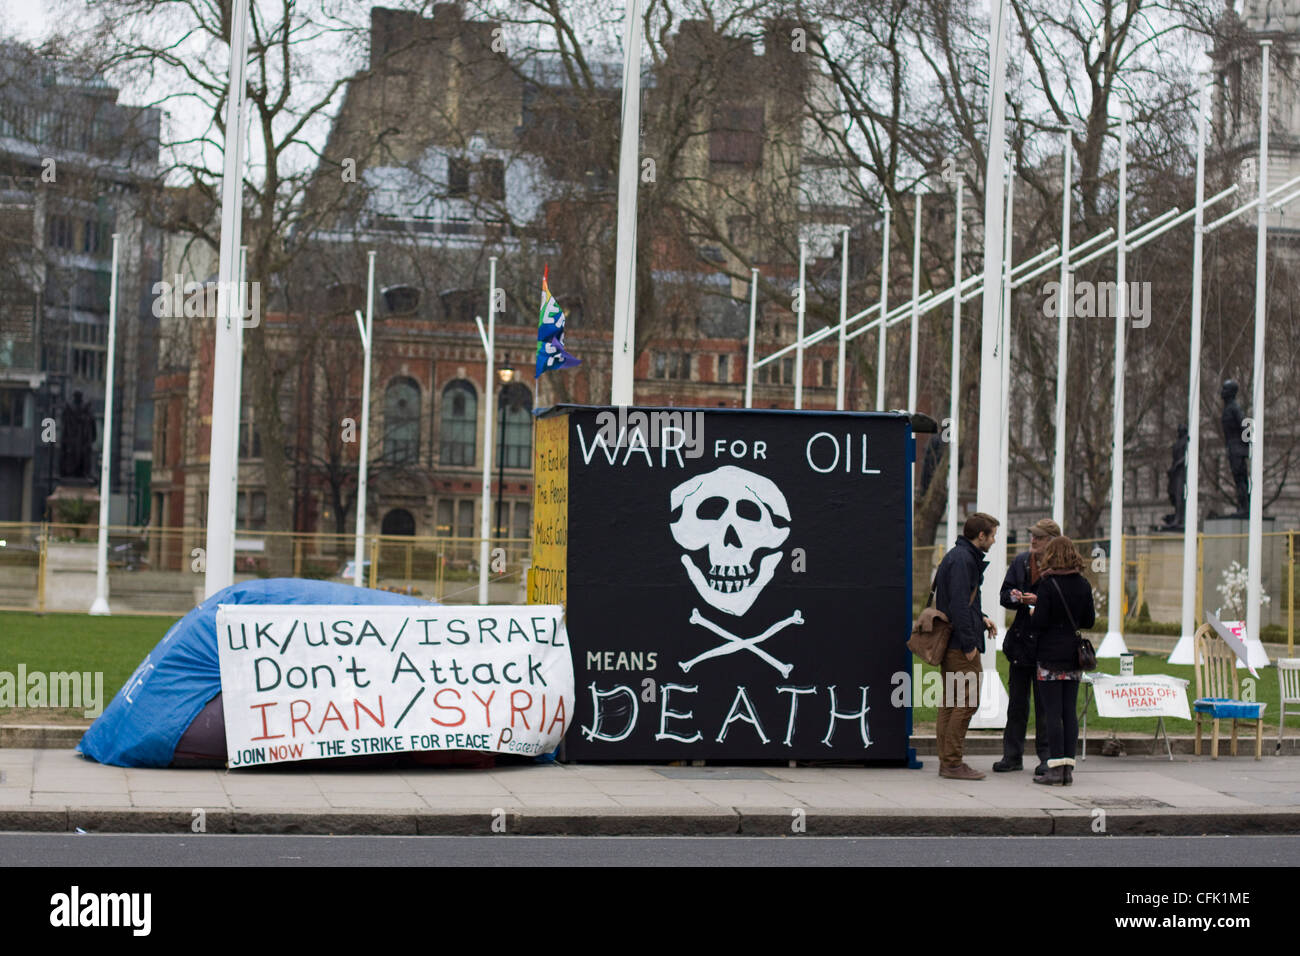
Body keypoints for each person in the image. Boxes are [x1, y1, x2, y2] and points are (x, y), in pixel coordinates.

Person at [933, 512, 1000, 780]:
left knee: (950, 702)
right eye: (992, 535)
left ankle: (947, 761)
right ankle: (952, 763)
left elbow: (960, 601)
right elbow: (959, 604)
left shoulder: (958, 556)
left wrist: (981, 619)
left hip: (953, 641)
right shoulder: (963, 560)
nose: (995, 540)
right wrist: (970, 642)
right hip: (961, 645)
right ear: (980, 536)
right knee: (966, 702)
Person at [992, 518, 1059, 776]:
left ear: (1051, 541)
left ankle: (1047, 757)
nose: (1033, 540)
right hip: (1021, 644)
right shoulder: (1021, 561)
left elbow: (1066, 605)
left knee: (1045, 706)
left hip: (1046, 646)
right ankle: (1012, 756)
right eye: (1033, 535)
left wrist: (1039, 600)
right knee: (1017, 704)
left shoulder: (1060, 566)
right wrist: (1015, 597)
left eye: (1039, 537)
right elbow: (1004, 595)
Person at [1028, 535, 1095, 786]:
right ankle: (1067, 769)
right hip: (1073, 656)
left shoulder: (1047, 584)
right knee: (1069, 712)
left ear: (1052, 556)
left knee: (1052, 714)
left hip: (1049, 656)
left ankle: (1054, 768)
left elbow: (1039, 623)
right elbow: (1088, 620)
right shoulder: (1083, 584)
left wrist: (1034, 610)